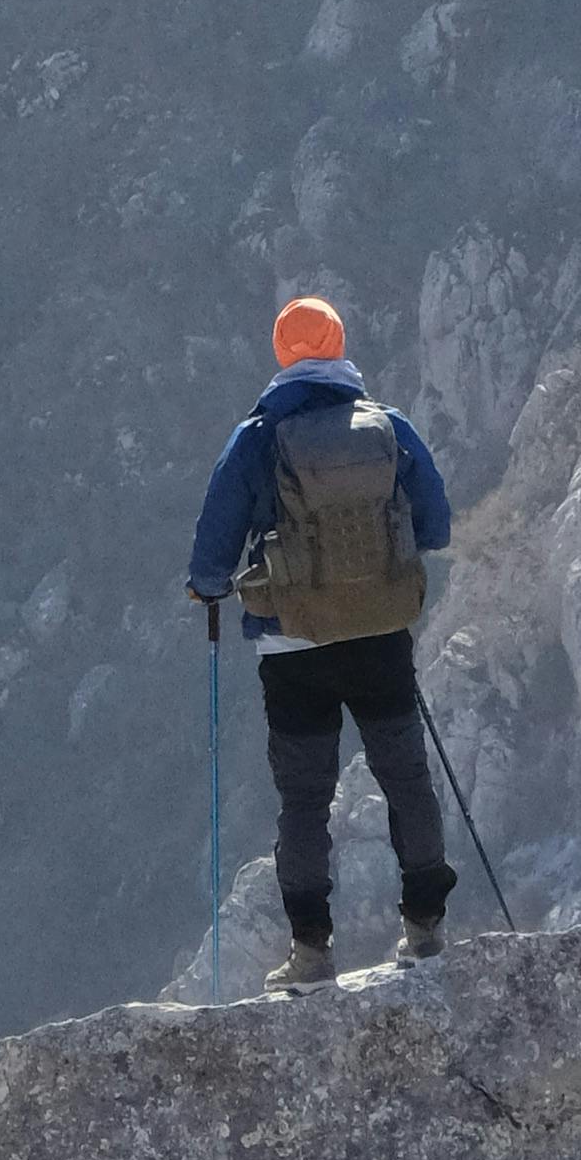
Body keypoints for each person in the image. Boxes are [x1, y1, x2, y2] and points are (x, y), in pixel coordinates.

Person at [185, 296, 455, 986]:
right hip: (379, 636)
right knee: (406, 780)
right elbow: (436, 523)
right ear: (340, 347)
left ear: (282, 355)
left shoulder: (258, 438)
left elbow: (216, 539)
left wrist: (210, 586)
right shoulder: (387, 427)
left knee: (304, 802)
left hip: (291, 647)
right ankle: (425, 929)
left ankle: (311, 952)